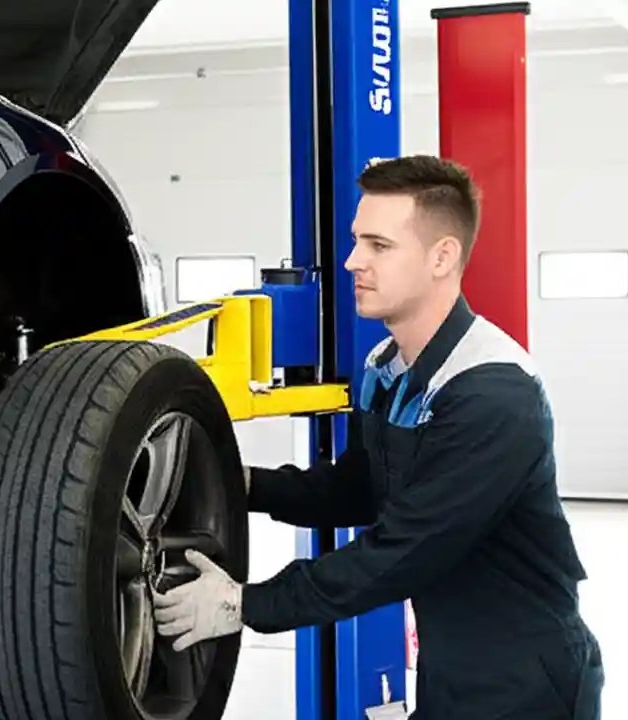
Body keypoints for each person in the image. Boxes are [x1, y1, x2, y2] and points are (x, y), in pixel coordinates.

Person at [152, 154, 603, 719]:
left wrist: (245, 604)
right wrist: (240, 483)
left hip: (526, 676)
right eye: (355, 241)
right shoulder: (385, 367)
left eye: (378, 246)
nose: (351, 262)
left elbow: (405, 550)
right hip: (451, 664)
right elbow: (361, 488)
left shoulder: (492, 393)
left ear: (443, 257)